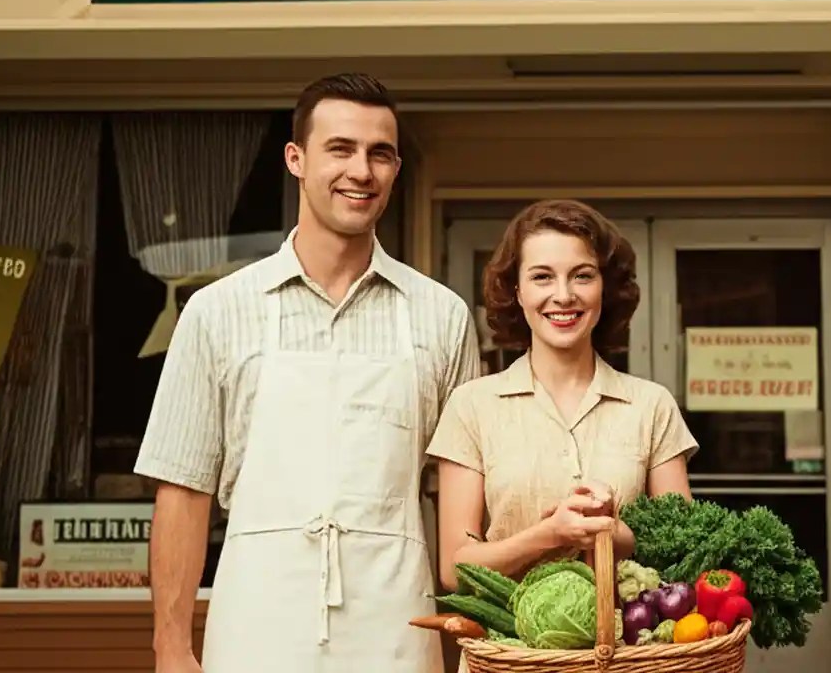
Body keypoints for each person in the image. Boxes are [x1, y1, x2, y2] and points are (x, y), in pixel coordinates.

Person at [134, 73, 480, 673]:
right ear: (296, 158)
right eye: (340, 149)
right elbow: (183, 491)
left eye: (380, 154)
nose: (361, 171)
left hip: (395, 628)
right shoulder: (218, 310)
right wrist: (170, 646)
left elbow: (461, 506)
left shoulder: (441, 315)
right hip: (255, 627)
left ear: (396, 169)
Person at [425, 199, 698, 603]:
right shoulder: (472, 406)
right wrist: (547, 535)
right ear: (516, 290)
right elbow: (454, 569)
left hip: (630, 658)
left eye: (582, 276)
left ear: (605, 286)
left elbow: (687, 551)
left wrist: (613, 533)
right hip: (507, 661)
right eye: (542, 277)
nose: (564, 295)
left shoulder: (651, 406)